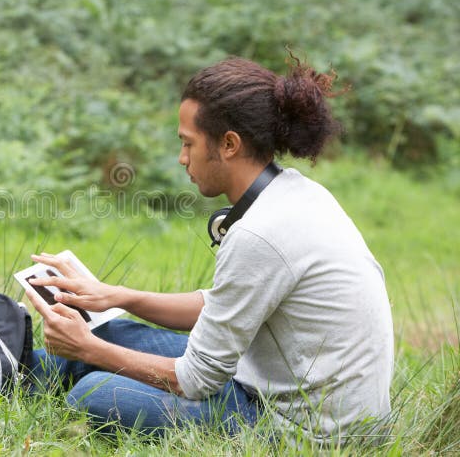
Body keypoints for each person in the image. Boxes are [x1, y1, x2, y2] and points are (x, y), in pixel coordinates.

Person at [22, 55, 395, 443]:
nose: (183, 158)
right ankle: (19, 369)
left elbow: (195, 379)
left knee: (95, 391)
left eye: (188, 143)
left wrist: (89, 350)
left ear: (229, 144)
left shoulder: (260, 234)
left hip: (305, 432)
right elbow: (225, 306)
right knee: (113, 330)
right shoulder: (296, 194)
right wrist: (119, 296)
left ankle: (28, 370)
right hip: (276, 386)